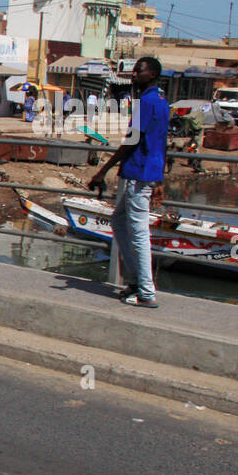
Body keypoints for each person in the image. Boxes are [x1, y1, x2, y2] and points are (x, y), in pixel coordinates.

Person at [89, 56, 169, 308]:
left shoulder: (146, 102)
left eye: (139, 71)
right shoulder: (161, 101)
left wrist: (102, 171)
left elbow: (132, 141)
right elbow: (161, 142)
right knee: (119, 222)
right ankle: (135, 280)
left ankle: (145, 291)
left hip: (139, 173)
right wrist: (161, 178)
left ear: (152, 75)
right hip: (147, 171)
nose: (134, 75)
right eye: (134, 71)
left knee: (138, 233)